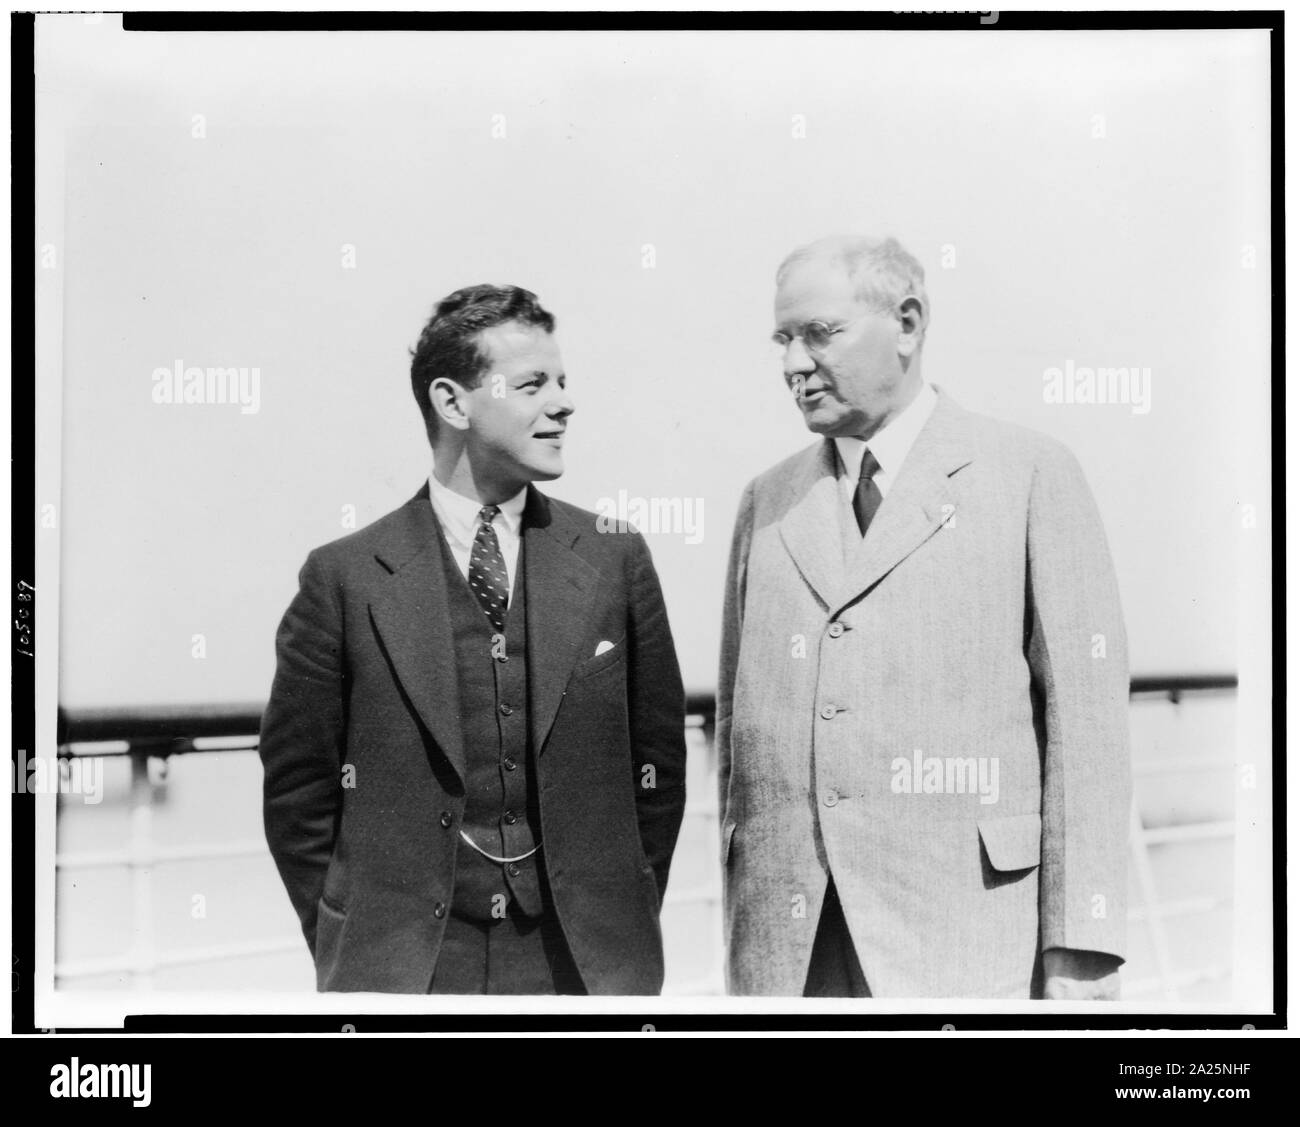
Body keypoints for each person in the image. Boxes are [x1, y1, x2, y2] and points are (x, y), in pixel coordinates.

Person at [716, 236, 1131, 998]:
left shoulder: (1030, 473)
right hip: (794, 953)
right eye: (783, 338)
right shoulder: (766, 502)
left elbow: (1089, 727)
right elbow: (736, 750)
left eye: (819, 332)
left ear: (907, 323)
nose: (793, 363)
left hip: (969, 940)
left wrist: (1082, 946)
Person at [260, 284, 686, 994]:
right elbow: (297, 791)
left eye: (562, 381)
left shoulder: (615, 557)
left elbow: (658, 768)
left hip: (579, 965)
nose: (563, 402)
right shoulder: (343, 577)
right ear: (453, 403)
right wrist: (353, 931)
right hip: (407, 972)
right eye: (531, 385)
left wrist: (618, 912)